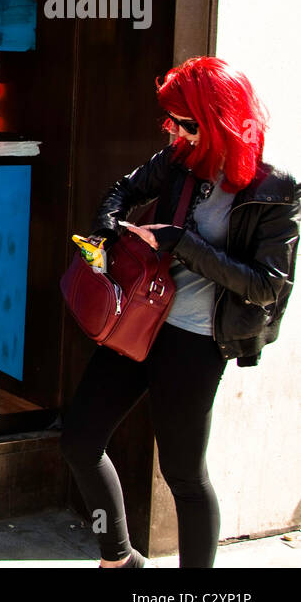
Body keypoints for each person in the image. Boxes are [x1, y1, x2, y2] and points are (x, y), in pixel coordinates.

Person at [60, 56, 298, 568]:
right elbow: (124, 189)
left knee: (185, 476)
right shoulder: (177, 160)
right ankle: (119, 560)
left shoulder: (275, 191)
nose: (169, 127)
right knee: (79, 439)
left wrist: (182, 243)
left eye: (180, 119)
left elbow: (266, 286)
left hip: (196, 341)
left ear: (215, 120)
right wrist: (105, 229)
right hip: (137, 326)